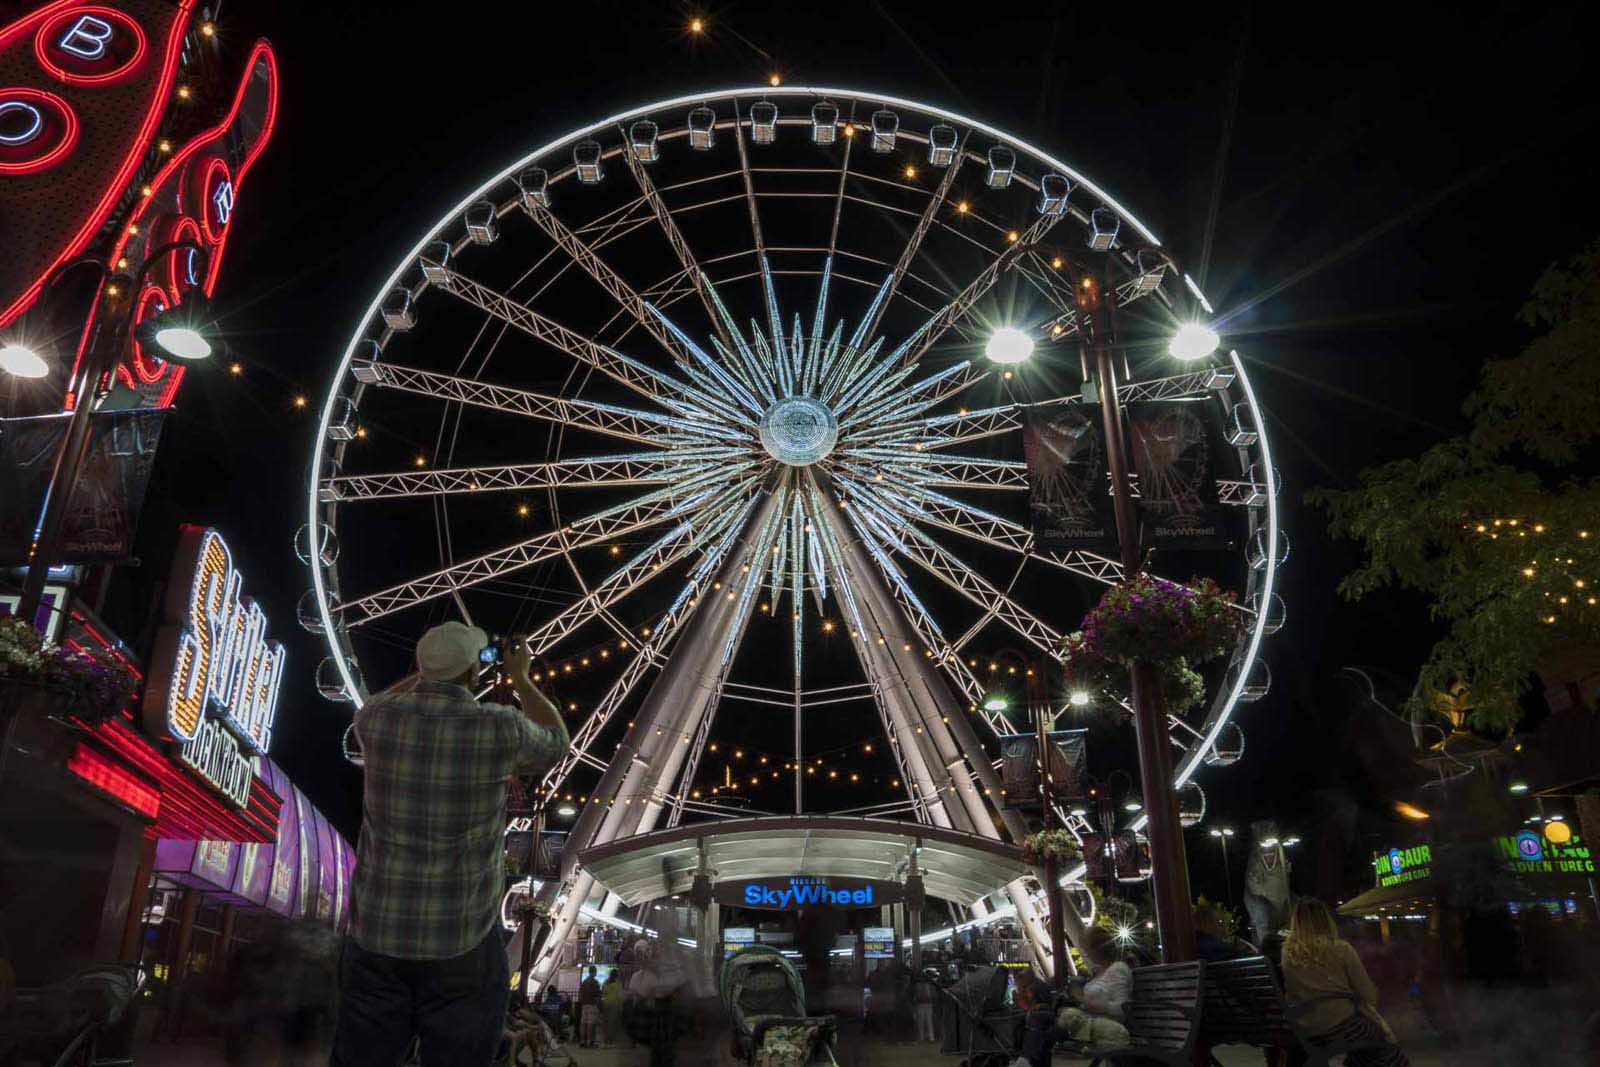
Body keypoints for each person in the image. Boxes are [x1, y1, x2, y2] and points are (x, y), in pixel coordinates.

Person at [330, 622, 569, 1066]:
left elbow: (384, 699)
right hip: (462, 938)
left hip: (378, 934)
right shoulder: (498, 727)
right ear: (474, 673)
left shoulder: (377, 721)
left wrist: (428, 672)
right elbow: (557, 742)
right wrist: (520, 677)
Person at [1279, 899, 1410, 1066]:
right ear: (1326, 920)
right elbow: (1368, 994)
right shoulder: (1341, 948)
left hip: (1306, 1029)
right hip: (1341, 1026)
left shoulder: (1288, 954)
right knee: (1386, 1047)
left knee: (1363, 1052)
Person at [578, 965, 602, 1047]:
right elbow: (598, 995)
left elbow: (580, 994)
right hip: (592, 1005)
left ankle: (582, 1041)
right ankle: (590, 1041)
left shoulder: (584, 982)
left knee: (583, 1023)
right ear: (594, 972)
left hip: (584, 1005)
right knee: (590, 1024)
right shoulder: (595, 982)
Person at [601, 969, 625, 1048]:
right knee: (612, 1023)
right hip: (615, 1005)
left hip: (606, 1004)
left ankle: (605, 1040)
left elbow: (603, 992)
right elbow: (620, 995)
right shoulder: (618, 983)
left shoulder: (605, 982)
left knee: (606, 1022)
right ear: (617, 975)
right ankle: (611, 1041)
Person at [912, 969, 937, 1043]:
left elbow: (917, 995)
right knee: (927, 1021)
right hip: (924, 1004)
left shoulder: (919, 984)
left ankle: (925, 1037)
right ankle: (929, 1037)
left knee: (923, 1022)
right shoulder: (927, 984)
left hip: (924, 1004)